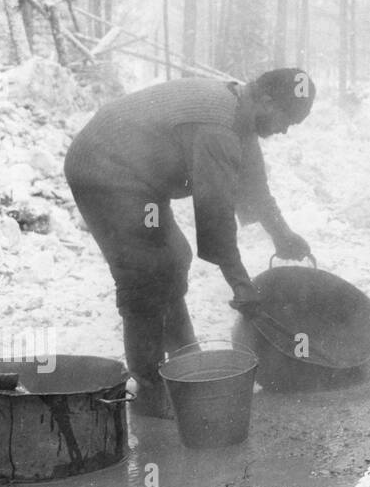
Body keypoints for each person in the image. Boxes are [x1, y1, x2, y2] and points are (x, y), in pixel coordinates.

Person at [64, 68, 316, 417]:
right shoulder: (219, 126)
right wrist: (241, 286)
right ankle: (150, 390)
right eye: (286, 120)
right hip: (103, 167)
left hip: (140, 177)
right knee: (142, 272)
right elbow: (215, 213)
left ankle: (186, 360)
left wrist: (283, 235)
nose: (284, 129)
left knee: (174, 257)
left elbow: (254, 190)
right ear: (267, 99)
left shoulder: (240, 116)